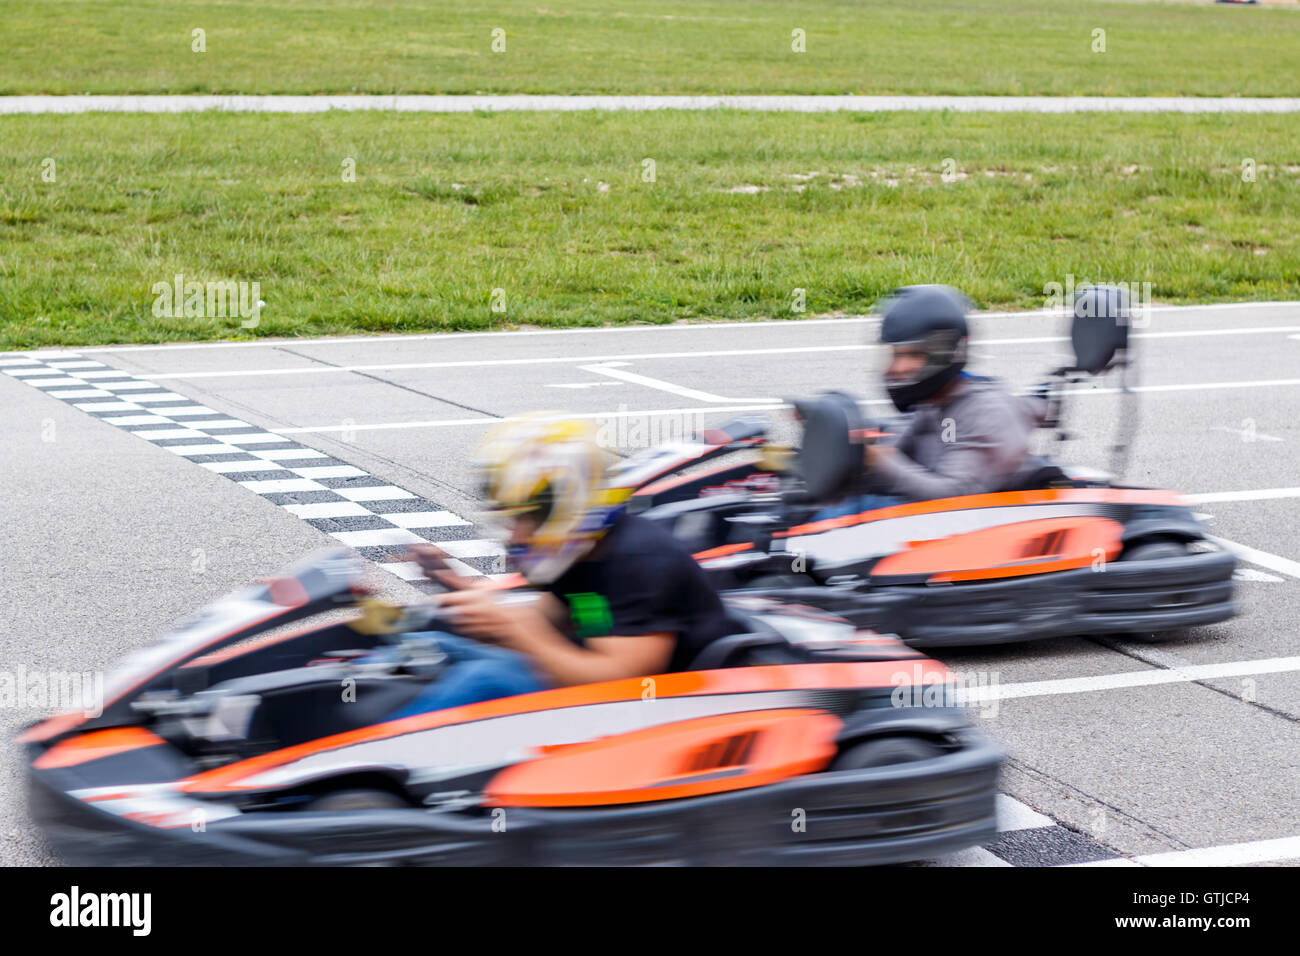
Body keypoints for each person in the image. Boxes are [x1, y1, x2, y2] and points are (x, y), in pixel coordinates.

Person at [377, 415, 733, 718]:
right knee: (430, 644)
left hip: (656, 708)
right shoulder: (586, 551)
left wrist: (515, 634)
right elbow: (544, 623)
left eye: (525, 518)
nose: (514, 533)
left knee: (488, 678)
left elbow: (625, 685)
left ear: (562, 508)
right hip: (591, 675)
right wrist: (458, 588)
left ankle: (369, 761)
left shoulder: (640, 563)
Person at [857, 284, 1044, 505]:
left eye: (910, 355)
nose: (894, 368)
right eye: (894, 354)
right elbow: (896, 437)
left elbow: (954, 497)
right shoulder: (935, 403)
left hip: (966, 526)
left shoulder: (985, 413)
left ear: (943, 352)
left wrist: (878, 461)